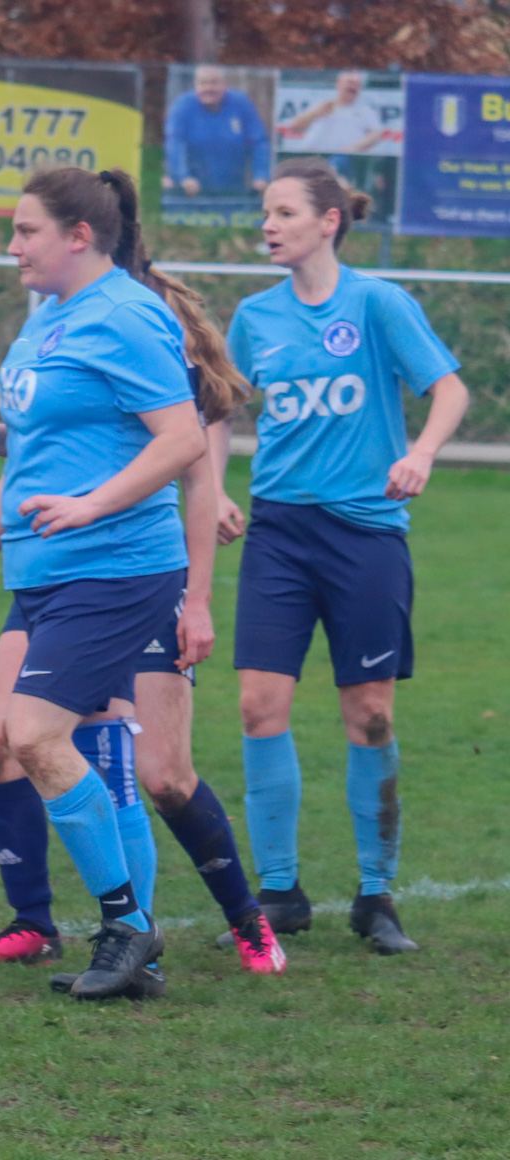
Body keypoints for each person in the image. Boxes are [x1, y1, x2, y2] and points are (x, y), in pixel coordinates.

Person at [0, 249, 288, 990]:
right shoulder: (74, 332)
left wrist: (196, 601)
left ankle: (239, 916)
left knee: (164, 774)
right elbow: (44, 461)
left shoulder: (142, 334)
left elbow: (195, 483)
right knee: (28, 740)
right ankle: (86, 932)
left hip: (139, 578)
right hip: (66, 571)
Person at [0, 167, 210, 999]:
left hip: (117, 566)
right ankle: (143, 956)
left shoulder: (130, 314)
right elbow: (57, 444)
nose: (11, 245)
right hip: (47, 568)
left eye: (26, 231)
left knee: (31, 736)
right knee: (98, 749)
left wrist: (94, 505)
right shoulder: (49, 322)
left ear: (78, 236)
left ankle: (127, 926)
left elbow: (180, 441)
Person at [223, 157, 469, 955]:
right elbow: (217, 411)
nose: (269, 224)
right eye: (265, 212)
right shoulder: (254, 317)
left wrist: (423, 453)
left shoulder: (377, 303)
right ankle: (280, 894)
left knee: (369, 715)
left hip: (366, 536)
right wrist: (214, 487)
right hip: (279, 534)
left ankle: (375, 896)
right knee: (260, 706)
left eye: (285, 212)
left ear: (328, 222)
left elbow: (451, 390)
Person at [164, 65, 271, 198]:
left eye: (214, 82)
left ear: (225, 84)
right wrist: (183, 177)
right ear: (195, 85)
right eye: (203, 83)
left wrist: (261, 176)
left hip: (235, 189)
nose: (209, 88)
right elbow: (175, 143)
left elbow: (259, 142)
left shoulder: (240, 103)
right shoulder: (182, 106)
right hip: (192, 191)